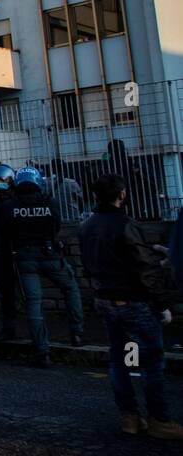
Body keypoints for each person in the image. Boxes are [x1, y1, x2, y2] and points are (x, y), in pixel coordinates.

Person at [78, 174, 182, 439]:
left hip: (106, 300)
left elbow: (88, 266)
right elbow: (144, 270)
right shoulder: (126, 225)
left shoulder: (86, 226)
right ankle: (159, 420)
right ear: (122, 194)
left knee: (120, 360)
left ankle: (129, 418)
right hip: (135, 302)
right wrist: (162, 304)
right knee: (151, 363)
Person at [0, 166, 84, 367]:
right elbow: (57, 226)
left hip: (24, 258)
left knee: (34, 303)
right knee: (70, 288)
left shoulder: (9, 207)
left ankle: (42, 351)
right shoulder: (49, 203)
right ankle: (77, 333)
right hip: (50, 254)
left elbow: (3, 232)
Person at [0, 163, 21, 341]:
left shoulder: (17, 201)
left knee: (28, 294)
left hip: (18, 252)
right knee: (6, 294)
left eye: (1, 180)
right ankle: (9, 328)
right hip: (1, 255)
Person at [46, 159, 84, 223]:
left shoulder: (46, 183)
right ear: (64, 168)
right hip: (73, 218)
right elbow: (80, 202)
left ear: (51, 169)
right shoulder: (72, 183)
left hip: (55, 220)